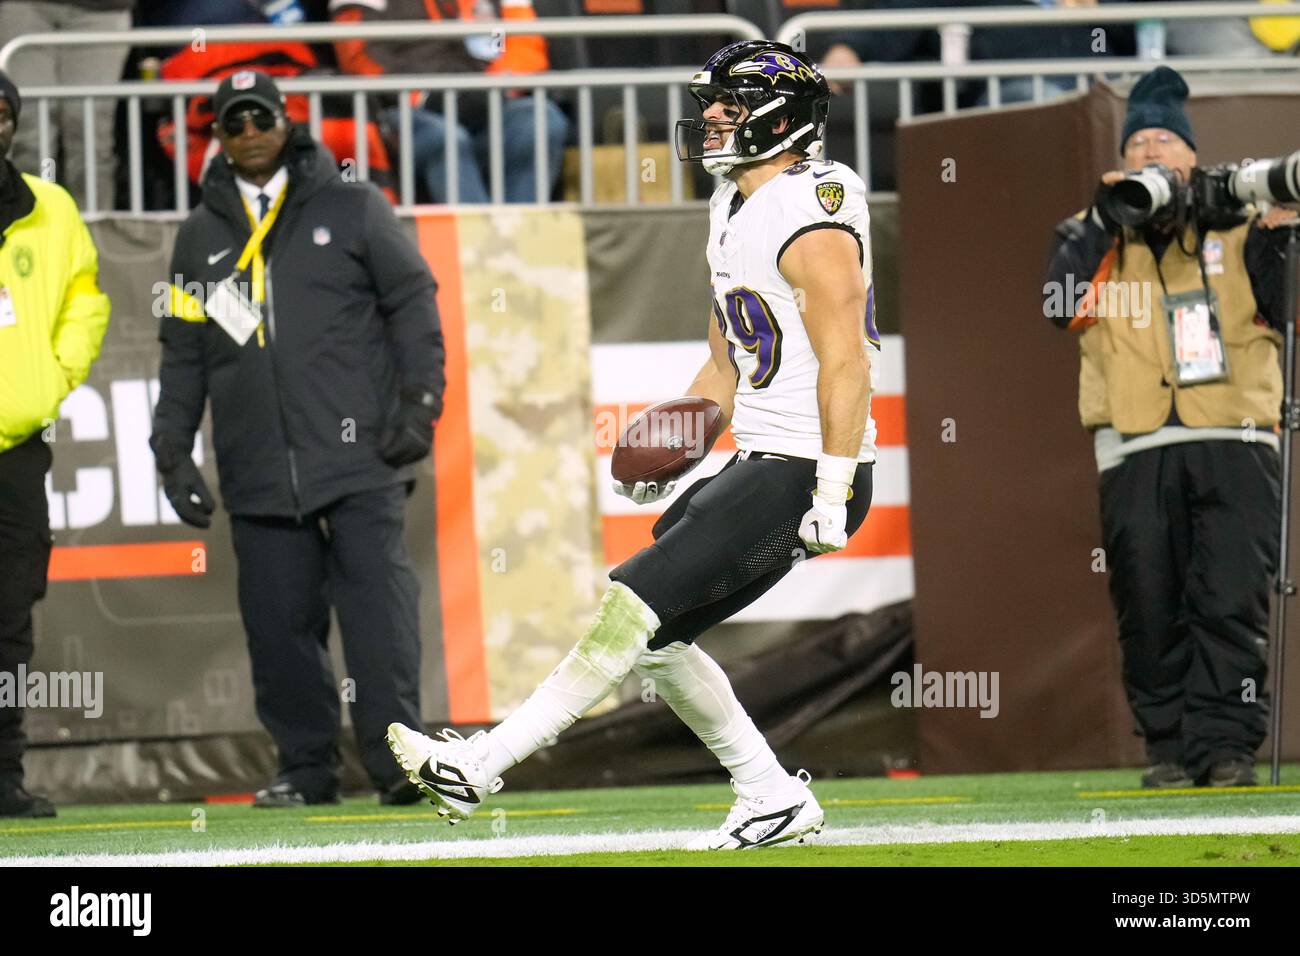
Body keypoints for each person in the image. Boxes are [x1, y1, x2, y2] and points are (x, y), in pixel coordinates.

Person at [388, 40, 880, 849]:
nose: (711, 119)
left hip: (807, 464)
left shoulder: (810, 206)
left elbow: (846, 360)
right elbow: (726, 363)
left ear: (781, 119)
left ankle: (481, 763)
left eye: (728, 105)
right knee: (658, 642)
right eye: (710, 105)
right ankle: (769, 794)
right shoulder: (733, 205)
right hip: (764, 456)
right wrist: (680, 439)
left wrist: (832, 488)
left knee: (634, 603)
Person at [150, 70, 445, 807]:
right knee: (279, 632)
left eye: (260, 118)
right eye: (232, 123)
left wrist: (421, 403)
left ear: (287, 122)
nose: (249, 133)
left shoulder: (352, 204)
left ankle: (398, 763)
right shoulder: (198, 237)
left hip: (360, 456)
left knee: (379, 623)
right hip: (256, 467)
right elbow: (184, 350)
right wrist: (170, 447)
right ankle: (306, 768)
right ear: (215, 138)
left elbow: (412, 302)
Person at [1043, 66, 1298, 789]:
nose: (1153, 153)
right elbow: (1059, 306)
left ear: (1193, 156)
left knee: (1230, 598)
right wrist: (1104, 218)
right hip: (1134, 441)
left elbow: (1288, 310)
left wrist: (1280, 229)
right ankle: (1169, 748)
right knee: (1149, 605)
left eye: (1166, 142)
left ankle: (1226, 750)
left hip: (1238, 434)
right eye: (1140, 142)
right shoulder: (1087, 235)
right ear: (1120, 161)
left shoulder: (1244, 222)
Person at [0, 70, 111, 817]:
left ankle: (2, 777)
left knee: (8, 620)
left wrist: (53, 378)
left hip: (15, 450)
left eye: (0, 112)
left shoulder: (50, 207)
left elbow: (85, 298)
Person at [329, 0, 569, 204]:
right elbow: (359, 58)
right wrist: (422, 97)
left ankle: (521, 238)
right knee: (445, 138)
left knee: (540, 119)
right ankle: (476, 245)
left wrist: (497, 83)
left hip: (483, 98)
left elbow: (523, 41)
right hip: (405, 109)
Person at [0, 0, 135, 211]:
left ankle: (92, 233)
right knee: (32, 135)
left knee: (88, 133)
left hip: (104, 9)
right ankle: (34, 224)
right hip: (26, 7)